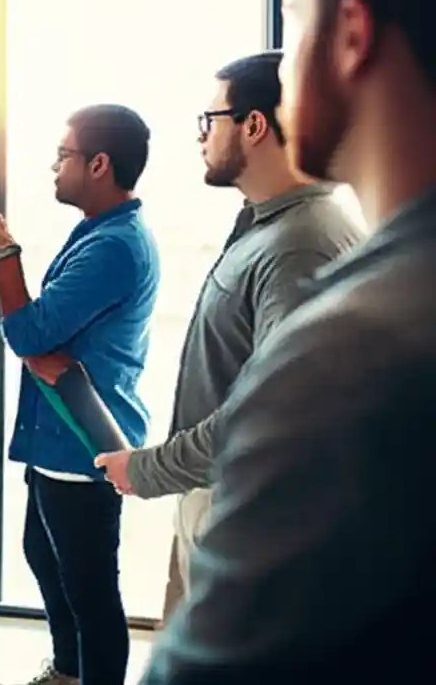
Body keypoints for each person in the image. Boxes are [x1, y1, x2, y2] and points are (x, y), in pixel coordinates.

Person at [142, 0, 436, 681]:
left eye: (294, 17)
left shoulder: (347, 350)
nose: (284, 68)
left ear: (351, 34)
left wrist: (152, 469)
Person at [92, 52, 363, 619]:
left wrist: (146, 469)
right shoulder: (268, 223)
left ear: (254, 125)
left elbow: (270, 411)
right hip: (219, 500)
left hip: (246, 515)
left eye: (209, 120)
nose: (201, 138)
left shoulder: (301, 243)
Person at [0, 104, 159, 685]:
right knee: (45, 555)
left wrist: (5, 252)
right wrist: (36, 346)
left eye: (64, 155)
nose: (54, 167)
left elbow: (28, 333)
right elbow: (37, 341)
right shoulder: (97, 233)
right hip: (56, 436)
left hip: (83, 442)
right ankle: (66, 670)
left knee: (88, 589)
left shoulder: (113, 247)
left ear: (99, 163)